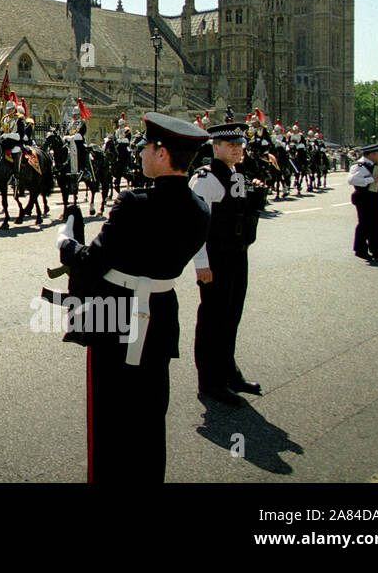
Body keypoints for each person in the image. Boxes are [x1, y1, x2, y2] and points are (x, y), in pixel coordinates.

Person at [55, 112, 211, 483]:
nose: (140, 153)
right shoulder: (200, 209)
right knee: (150, 416)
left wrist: (65, 243)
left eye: (146, 147)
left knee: (108, 420)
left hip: (116, 319)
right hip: (158, 317)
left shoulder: (134, 204)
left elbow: (93, 262)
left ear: (161, 153)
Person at [190, 122, 264, 406]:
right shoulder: (206, 179)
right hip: (216, 258)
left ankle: (228, 372)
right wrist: (201, 265)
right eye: (230, 145)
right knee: (213, 320)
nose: (236, 149)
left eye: (239, 145)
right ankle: (210, 381)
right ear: (215, 147)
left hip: (237, 254)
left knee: (231, 315)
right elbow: (197, 227)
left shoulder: (238, 174)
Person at [348, 143, 378, 262]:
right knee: (365, 224)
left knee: (375, 224)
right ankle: (360, 249)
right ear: (371, 154)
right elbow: (352, 180)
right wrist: (371, 179)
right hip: (363, 197)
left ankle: (377, 250)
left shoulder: (374, 164)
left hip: (374, 196)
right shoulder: (359, 165)